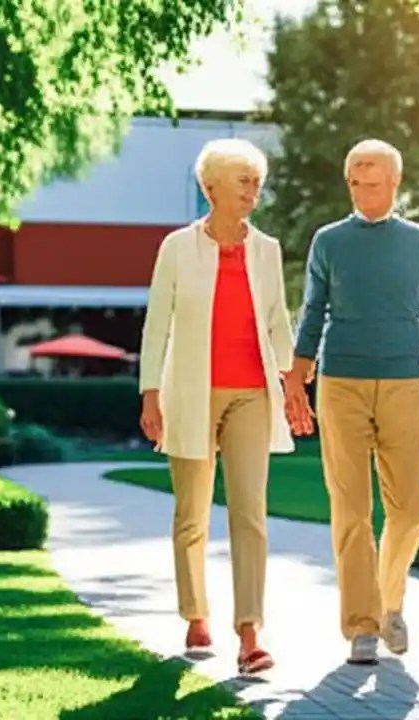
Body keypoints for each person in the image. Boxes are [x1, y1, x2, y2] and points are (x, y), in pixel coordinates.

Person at [285, 138, 419, 665]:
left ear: (395, 181)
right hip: (340, 382)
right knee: (352, 509)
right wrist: (297, 377)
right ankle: (361, 625)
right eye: (355, 179)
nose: (362, 187)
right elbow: (313, 312)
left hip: (406, 382)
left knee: (412, 508)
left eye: (373, 179)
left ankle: (389, 604)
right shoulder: (329, 242)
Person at [137, 137, 296, 675]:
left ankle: (250, 632)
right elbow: (157, 324)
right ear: (210, 188)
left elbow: (277, 321)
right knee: (193, 513)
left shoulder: (267, 250)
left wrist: (293, 381)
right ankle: (195, 612)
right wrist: (150, 393)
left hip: (253, 392)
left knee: (250, 511)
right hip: (191, 392)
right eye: (242, 181)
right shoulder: (177, 248)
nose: (253, 190)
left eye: (256, 180)